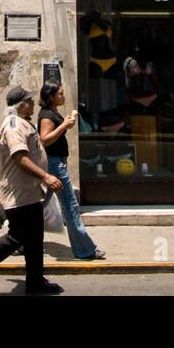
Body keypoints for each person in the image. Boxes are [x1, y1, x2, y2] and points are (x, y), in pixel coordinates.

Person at [0, 85, 65, 295]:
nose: (33, 104)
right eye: (29, 101)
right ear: (21, 105)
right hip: (20, 194)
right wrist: (46, 176)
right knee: (17, 236)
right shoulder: (13, 125)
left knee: (35, 237)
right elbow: (19, 157)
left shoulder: (21, 122)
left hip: (28, 192)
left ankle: (35, 281)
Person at [38, 83, 105, 260]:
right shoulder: (46, 116)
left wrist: (64, 123)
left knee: (41, 206)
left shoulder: (53, 113)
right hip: (55, 164)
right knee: (70, 206)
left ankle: (18, 238)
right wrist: (63, 126)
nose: (63, 96)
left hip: (57, 162)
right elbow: (44, 140)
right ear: (50, 96)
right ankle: (85, 249)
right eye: (60, 94)